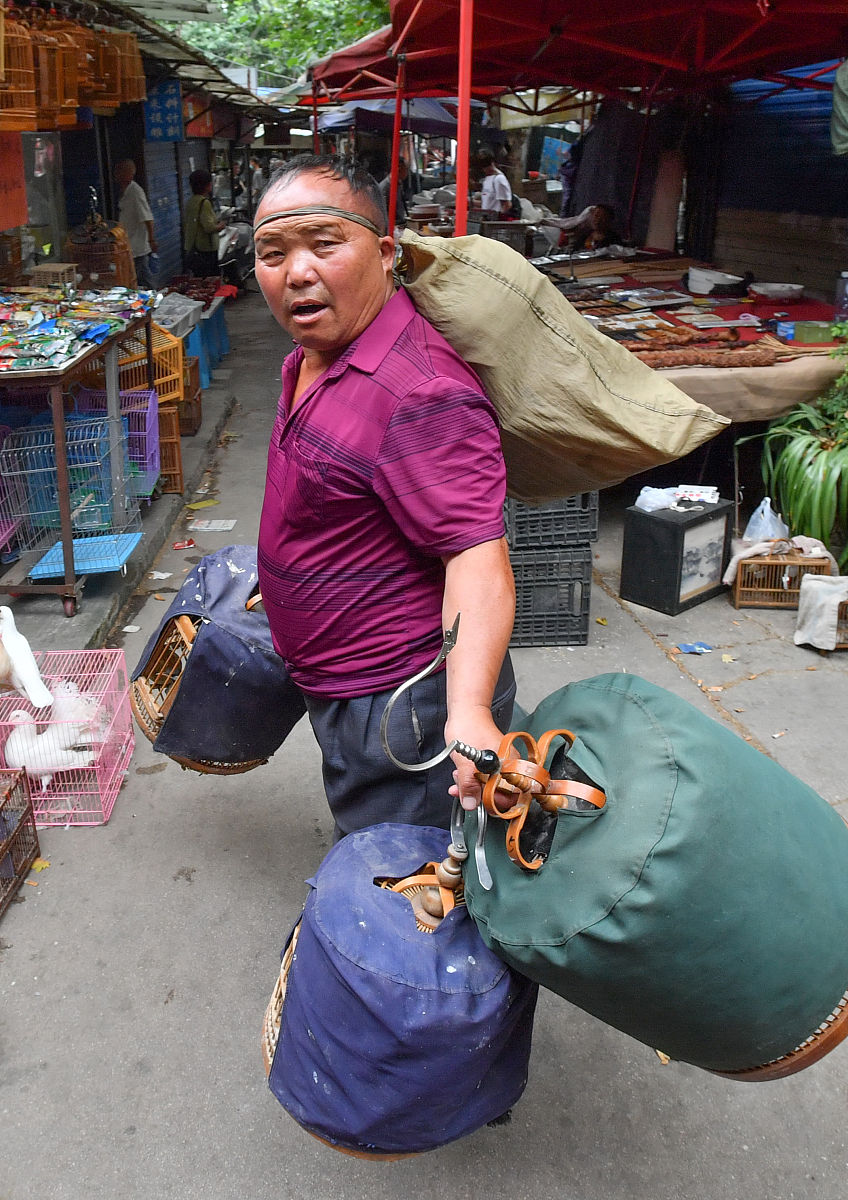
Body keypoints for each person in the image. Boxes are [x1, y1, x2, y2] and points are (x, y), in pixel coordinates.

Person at [252, 154, 516, 838]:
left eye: (324, 244)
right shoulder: (311, 356)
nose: (297, 272)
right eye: (273, 253)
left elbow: (476, 557)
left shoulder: (420, 392)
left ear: (386, 252)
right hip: (339, 682)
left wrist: (468, 711)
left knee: (412, 875)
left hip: (403, 705)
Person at [114, 159, 157, 289]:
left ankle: (152, 295)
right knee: (142, 276)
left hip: (137, 245)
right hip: (129, 243)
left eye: (119, 172)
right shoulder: (124, 191)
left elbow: (148, 218)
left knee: (136, 277)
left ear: (128, 174)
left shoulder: (135, 191)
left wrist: (151, 239)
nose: (116, 175)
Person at [184, 169, 224, 277]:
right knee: (210, 279)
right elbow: (209, 227)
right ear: (207, 185)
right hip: (205, 249)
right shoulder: (204, 203)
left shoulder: (191, 201)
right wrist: (220, 226)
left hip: (193, 247)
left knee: (199, 278)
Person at [477, 148, 512, 218]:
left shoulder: (499, 179)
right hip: (485, 218)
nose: (484, 170)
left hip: (493, 220)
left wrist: (497, 217)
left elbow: (507, 204)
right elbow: (488, 203)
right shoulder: (487, 179)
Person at [378, 156, 409, 229]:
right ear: (399, 168)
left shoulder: (399, 183)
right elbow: (382, 212)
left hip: (400, 224)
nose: (407, 172)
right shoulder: (385, 187)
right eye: (406, 169)